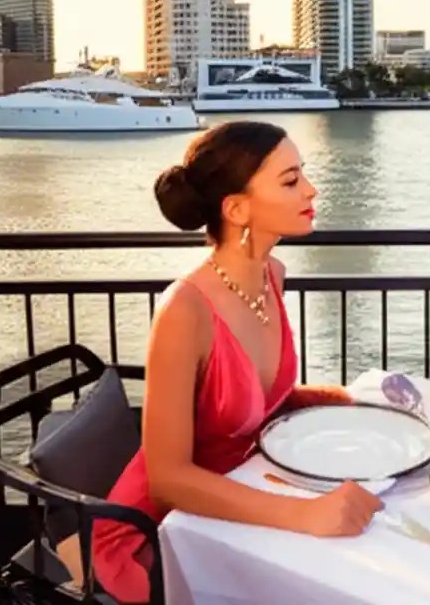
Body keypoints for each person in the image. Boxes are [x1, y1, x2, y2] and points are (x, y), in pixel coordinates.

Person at [87, 121, 384, 602]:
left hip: (246, 487)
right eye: (290, 180)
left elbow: (245, 401)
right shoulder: (184, 310)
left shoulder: (272, 275)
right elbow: (166, 481)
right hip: (161, 531)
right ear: (237, 208)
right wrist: (305, 514)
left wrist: (326, 398)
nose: (311, 189)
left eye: (303, 174)